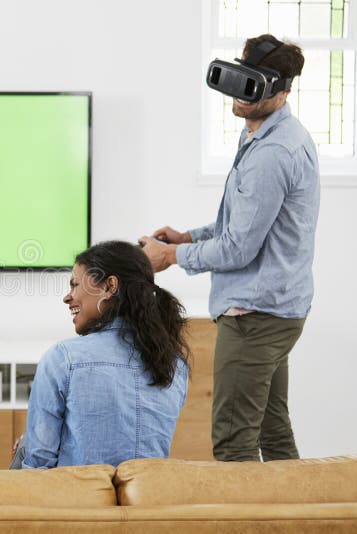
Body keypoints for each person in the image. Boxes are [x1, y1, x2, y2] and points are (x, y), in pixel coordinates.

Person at [140, 34, 319, 462]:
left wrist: (171, 257)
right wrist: (188, 238)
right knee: (273, 431)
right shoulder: (263, 133)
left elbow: (238, 249)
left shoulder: (273, 152)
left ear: (282, 90)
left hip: (256, 317)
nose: (238, 95)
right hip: (278, 309)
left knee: (233, 442)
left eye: (251, 85)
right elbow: (239, 224)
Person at [15, 241, 189, 469]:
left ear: (109, 286)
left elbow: (38, 468)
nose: (67, 297)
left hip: (82, 500)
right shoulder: (174, 362)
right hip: (148, 499)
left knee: (27, 446)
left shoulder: (63, 358)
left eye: (75, 284)